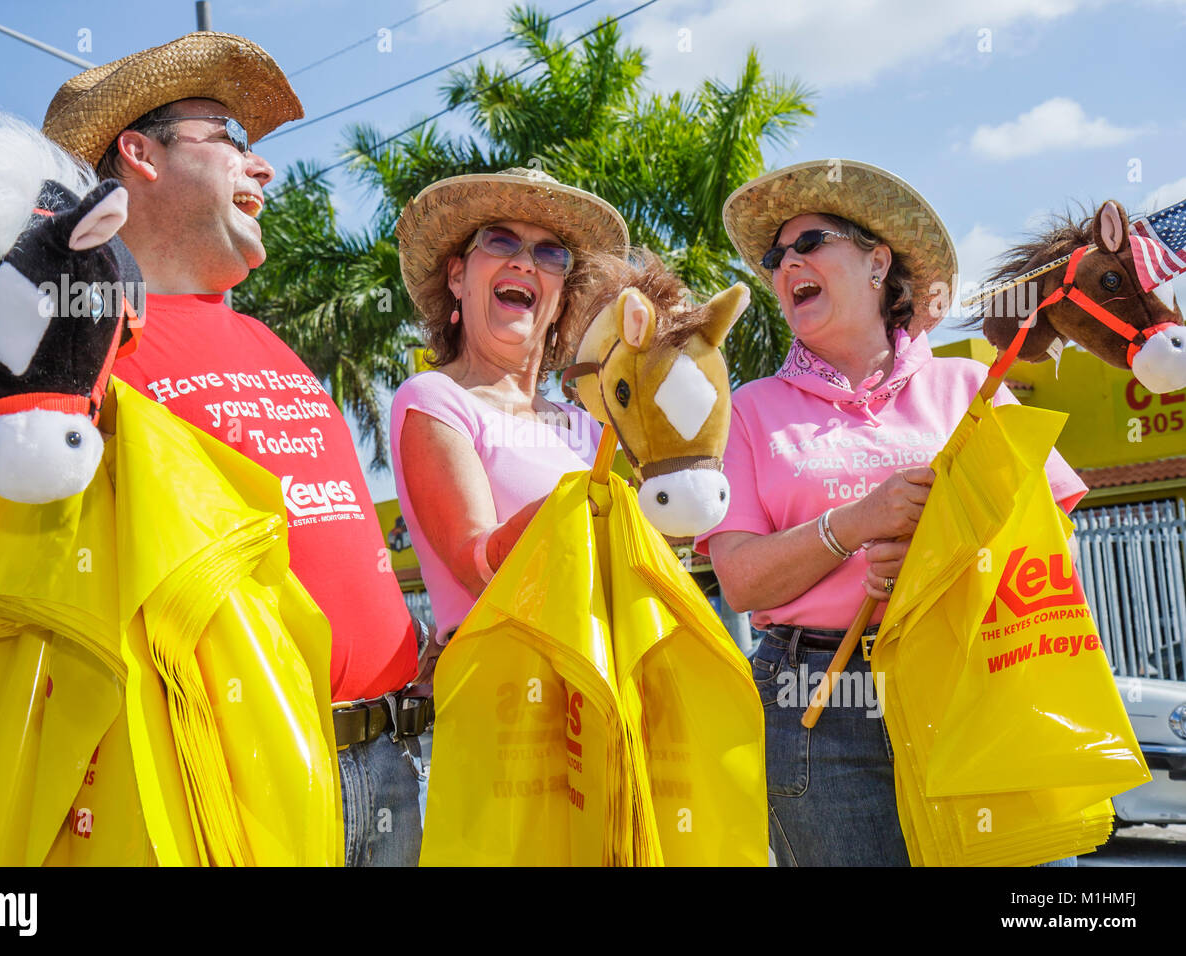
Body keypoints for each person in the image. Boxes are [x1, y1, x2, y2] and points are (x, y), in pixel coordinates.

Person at [42, 32, 424, 867]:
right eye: (232, 140)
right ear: (138, 154)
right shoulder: (75, 351)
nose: (266, 168)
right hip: (228, 780)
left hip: (389, 762)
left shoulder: (265, 340)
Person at [700, 159, 1088, 866]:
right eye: (773, 256)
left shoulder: (972, 386)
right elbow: (742, 582)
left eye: (810, 242)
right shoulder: (747, 411)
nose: (787, 263)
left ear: (878, 260)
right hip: (818, 704)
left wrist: (937, 561)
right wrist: (853, 525)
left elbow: (1054, 535)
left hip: (976, 679)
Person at [390, 169, 628, 641]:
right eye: (500, 242)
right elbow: (477, 567)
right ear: (457, 277)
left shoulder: (591, 424)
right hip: (505, 696)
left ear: (560, 302)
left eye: (550, 253)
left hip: (607, 686)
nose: (525, 263)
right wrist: (581, 502)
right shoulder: (434, 399)